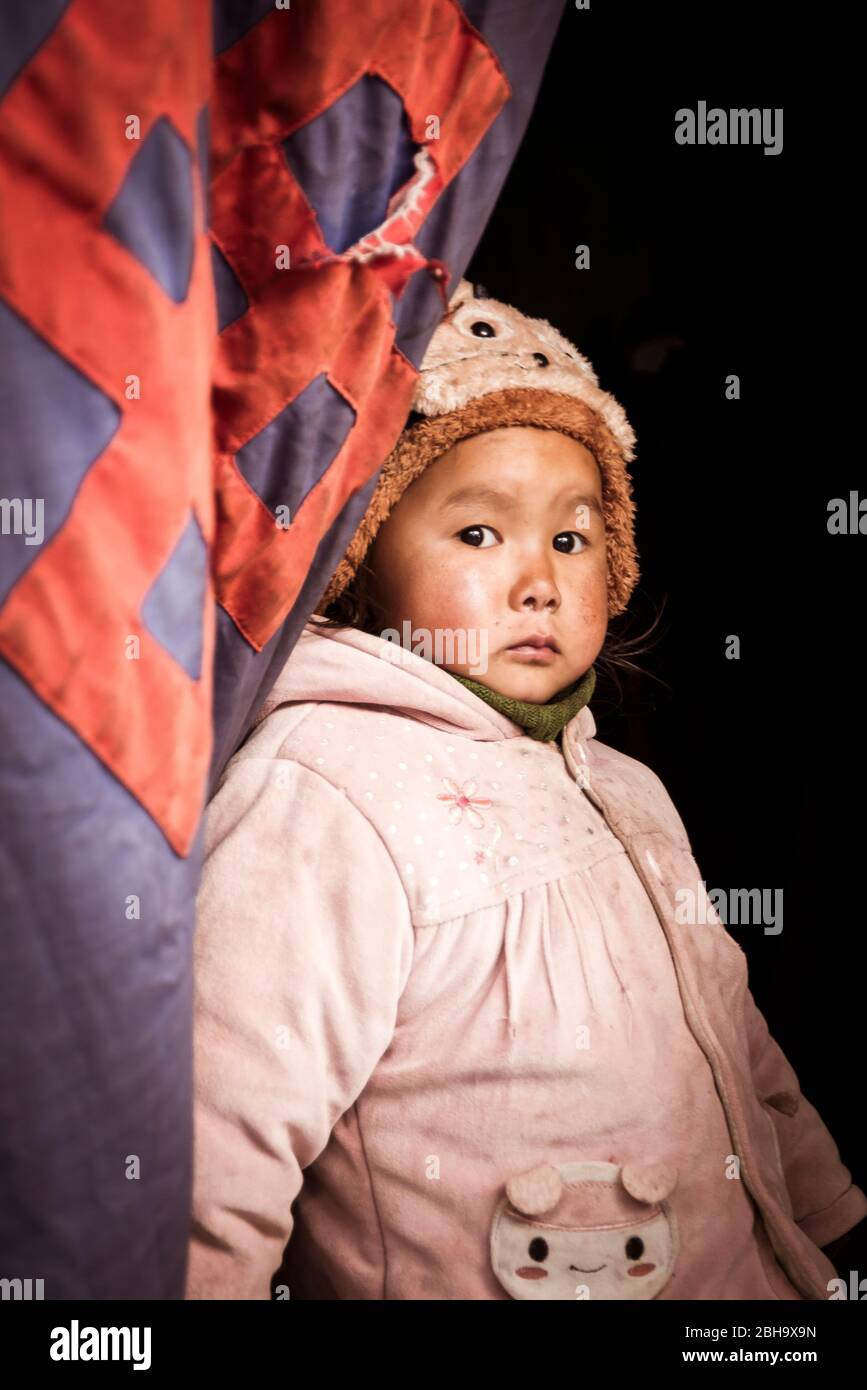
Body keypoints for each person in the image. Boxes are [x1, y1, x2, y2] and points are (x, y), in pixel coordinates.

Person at [186, 279, 866, 1300]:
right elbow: (219, 1141)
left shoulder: (626, 786)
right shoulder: (323, 789)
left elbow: (737, 1042)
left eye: (571, 536)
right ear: (366, 564)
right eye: (477, 533)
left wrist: (826, 1221)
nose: (539, 579)